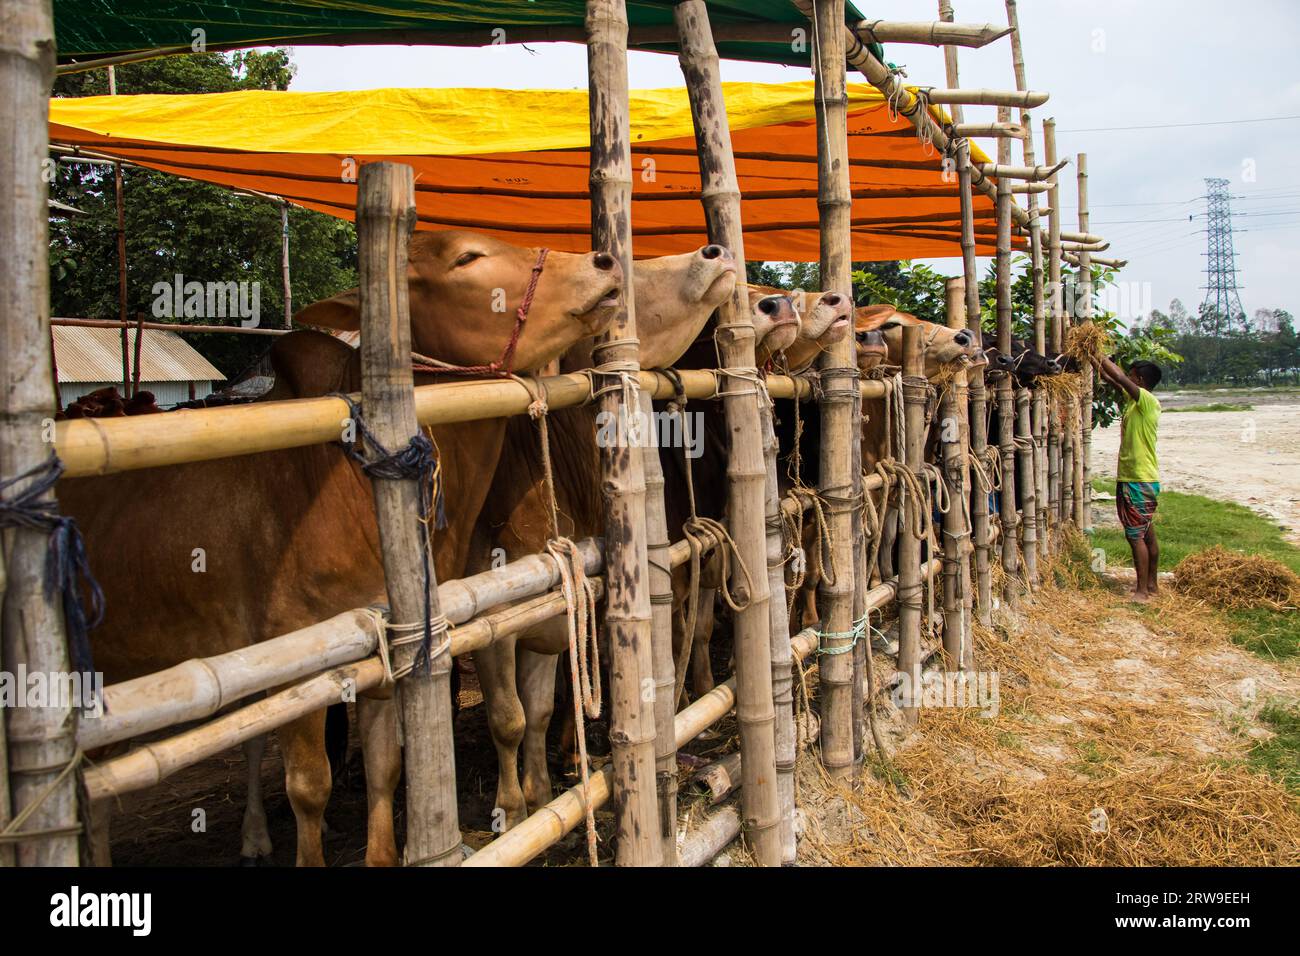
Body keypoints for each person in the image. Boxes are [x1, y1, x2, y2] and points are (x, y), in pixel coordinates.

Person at [1093, 355, 1162, 601]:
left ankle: (1142, 591)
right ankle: (1151, 585)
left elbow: (1120, 377)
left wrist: (1097, 351)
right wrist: (1094, 361)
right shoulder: (1135, 404)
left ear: (1140, 380)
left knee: (1135, 537)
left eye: (1133, 375)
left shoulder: (1148, 401)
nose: (1128, 378)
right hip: (1138, 477)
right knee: (1146, 533)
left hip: (1138, 479)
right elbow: (1117, 381)